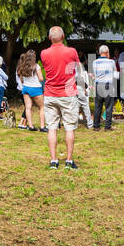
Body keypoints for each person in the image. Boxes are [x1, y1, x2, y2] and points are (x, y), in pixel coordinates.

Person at [40, 26, 81, 169]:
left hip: (51, 94)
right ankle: (69, 161)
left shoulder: (44, 53)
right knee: (69, 128)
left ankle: (53, 160)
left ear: (50, 38)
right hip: (68, 94)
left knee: (52, 128)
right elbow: (77, 69)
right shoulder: (71, 51)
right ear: (63, 36)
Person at [91, 44, 118, 130]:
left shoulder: (94, 62)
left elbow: (94, 75)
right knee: (109, 106)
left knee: (97, 106)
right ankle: (107, 126)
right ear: (107, 52)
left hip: (98, 84)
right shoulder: (111, 62)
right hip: (108, 85)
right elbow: (116, 75)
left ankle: (96, 126)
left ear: (99, 52)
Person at [17, 50, 45, 130]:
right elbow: (40, 78)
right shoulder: (36, 66)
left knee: (28, 107)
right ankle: (42, 127)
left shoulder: (22, 66)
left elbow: (21, 79)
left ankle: (30, 126)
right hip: (35, 88)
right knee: (42, 107)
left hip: (25, 88)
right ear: (34, 57)